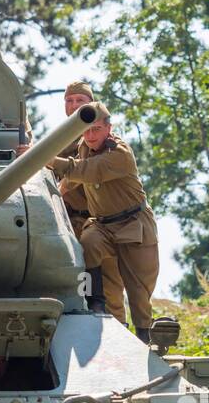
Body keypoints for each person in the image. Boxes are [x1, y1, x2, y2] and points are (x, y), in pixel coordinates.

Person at [49, 101, 160, 342]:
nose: (90, 135)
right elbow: (76, 176)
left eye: (96, 129)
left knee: (139, 291)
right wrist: (60, 191)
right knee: (87, 244)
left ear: (109, 128)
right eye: (87, 130)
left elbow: (87, 171)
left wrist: (45, 158)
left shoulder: (119, 154)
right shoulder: (84, 146)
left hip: (133, 223)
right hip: (102, 224)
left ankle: (144, 338)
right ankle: (96, 303)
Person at [57, 81, 96, 238]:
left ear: (90, 104)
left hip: (95, 222)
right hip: (67, 218)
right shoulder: (61, 137)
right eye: (69, 100)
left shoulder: (97, 133)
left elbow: (83, 168)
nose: (74, 105)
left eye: (80, 100)